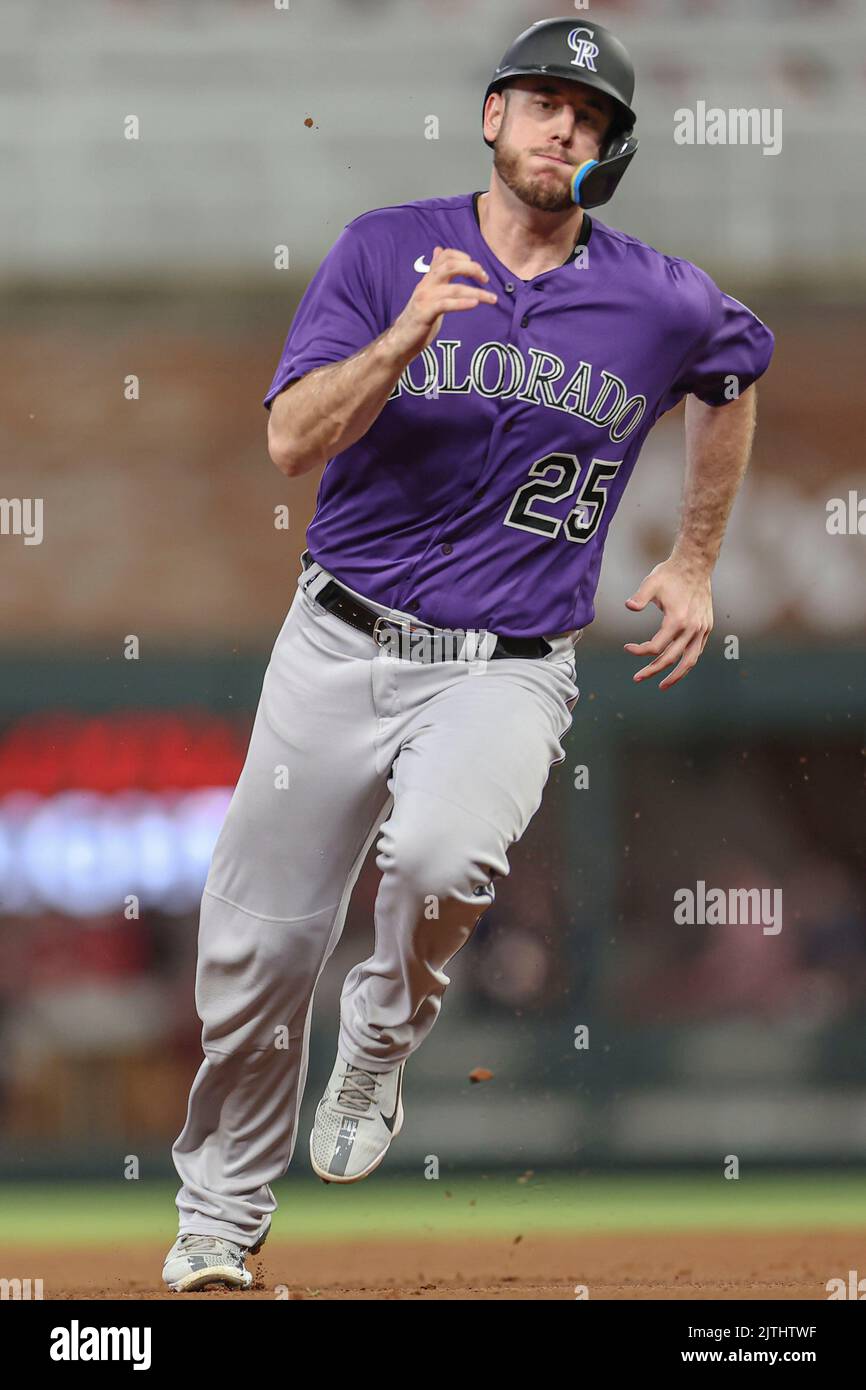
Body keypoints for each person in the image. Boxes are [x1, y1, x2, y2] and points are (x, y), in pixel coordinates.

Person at [162, 16, 774, 1291]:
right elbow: (288, 442)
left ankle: (380, 1034)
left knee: (444, 855)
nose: (564, 125)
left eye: (590, 115)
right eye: (543, 100)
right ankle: (218, 1219)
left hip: (506, 657)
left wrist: (697, 554)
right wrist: (399, 343)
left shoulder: (658, 295)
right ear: (492, 118)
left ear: (607, 151)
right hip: (335, 637)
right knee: (256, 957)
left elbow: (734, 367)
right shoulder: (387, 249)